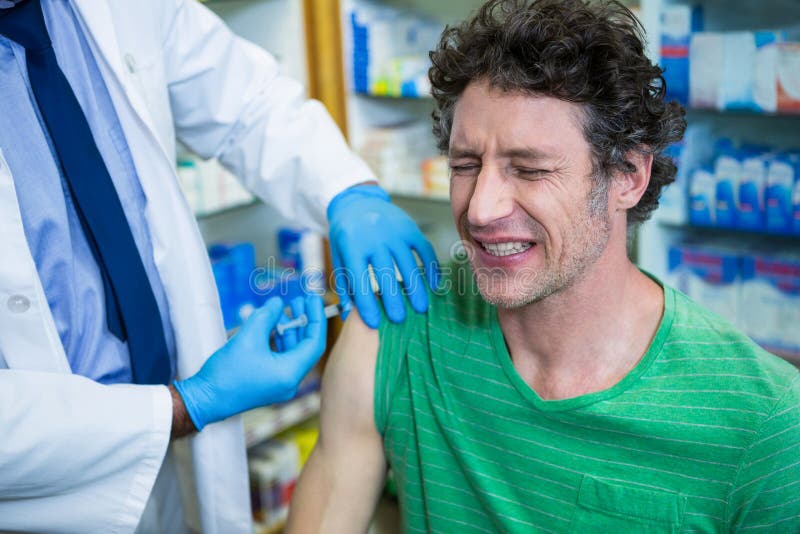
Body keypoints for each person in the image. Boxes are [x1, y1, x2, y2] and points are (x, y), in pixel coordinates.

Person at [287, 0, 800, 531]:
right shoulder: (397, 330)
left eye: (529, 170)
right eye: (465, 165)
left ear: (627, 175)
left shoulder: (765, 424)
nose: (481, 209)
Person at [0, 0, 438, 532]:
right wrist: (191, 404)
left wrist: (347, 191)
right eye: (465, 162)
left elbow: (247, 100)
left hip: (163, 457)